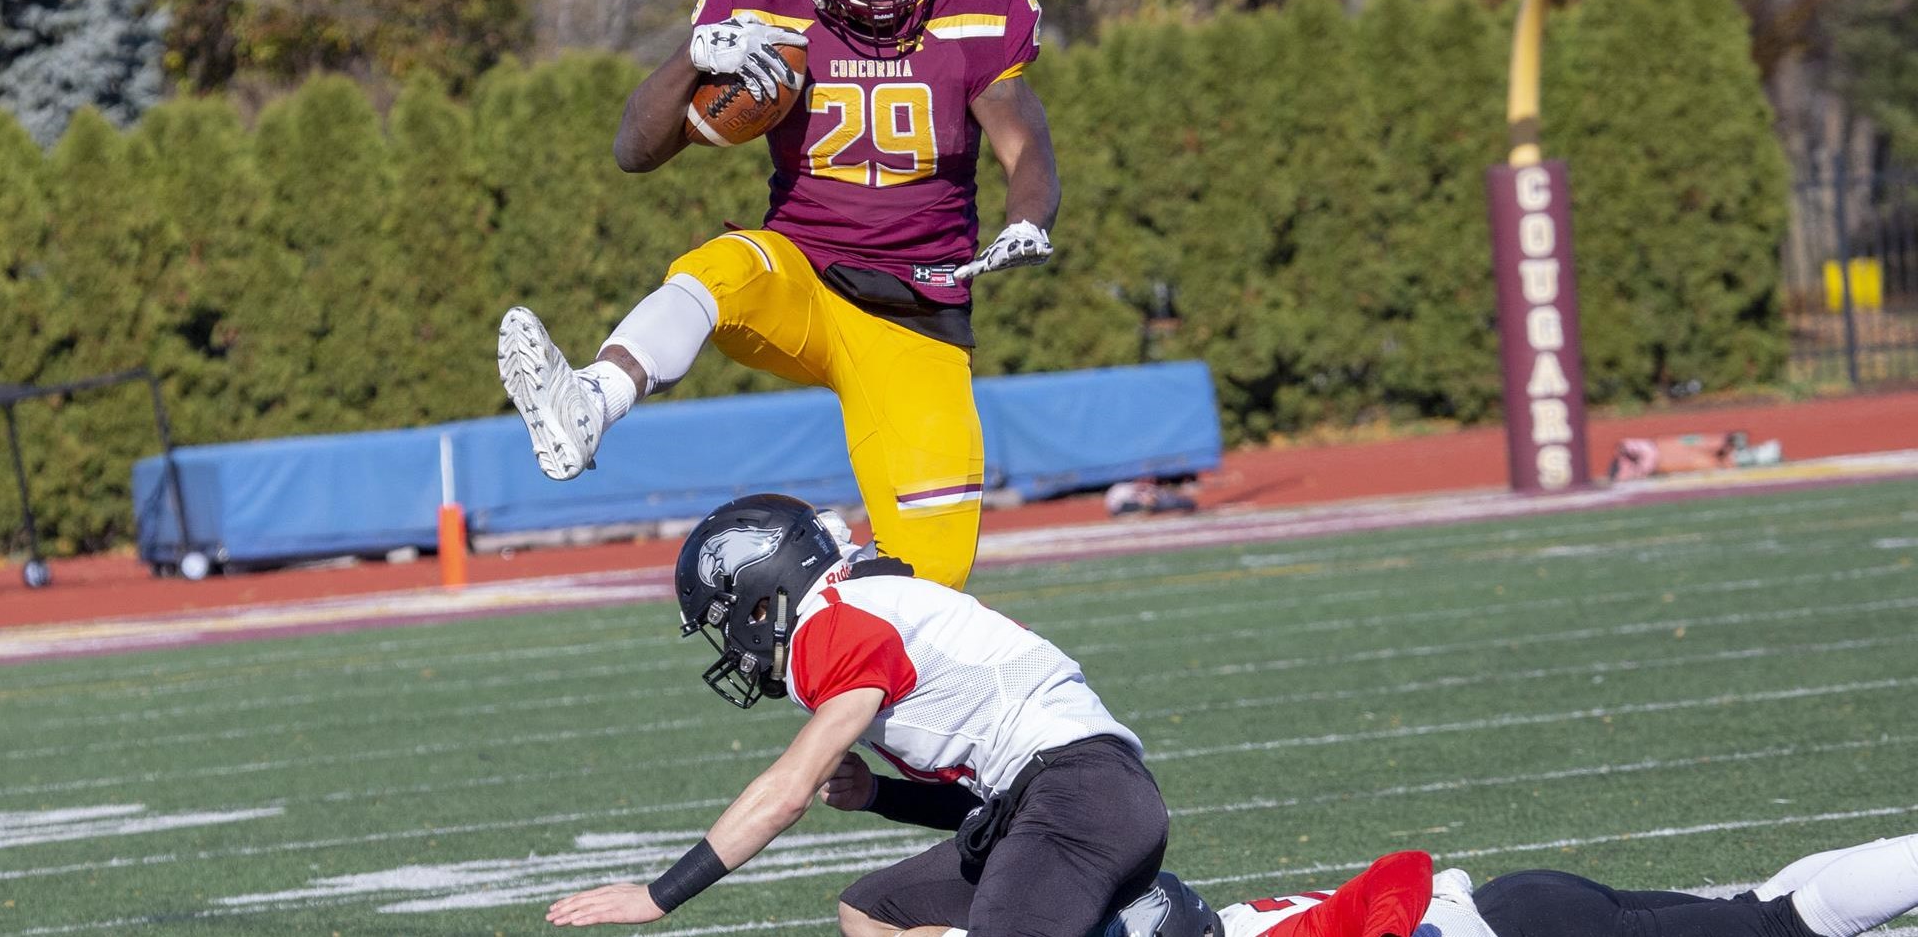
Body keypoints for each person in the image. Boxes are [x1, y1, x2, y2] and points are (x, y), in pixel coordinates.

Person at [498, 0, 1061, 590]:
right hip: (805, 278)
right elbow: (634, 149)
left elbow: (1025, 142)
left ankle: (832, 597)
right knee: (722, 269)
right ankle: (594, 398)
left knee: (934, 577)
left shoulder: (978, 3)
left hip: (918, 314)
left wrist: (1029, 218)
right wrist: (692, 58)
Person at [543, 493, 1168, 935]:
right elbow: (992, 798)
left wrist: (659, 895)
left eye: (730, 618)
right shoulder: (857, 599)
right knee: (871, 913)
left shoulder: (832, 625)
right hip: (1065, 801)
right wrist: (877, 795)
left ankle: (1147, 926)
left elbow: (788, 792)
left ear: (764, 596)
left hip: (1082, 800)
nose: (734, 644)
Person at [1205, 832, 1918, 937]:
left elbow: (1403, 869)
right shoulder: (1233, 918)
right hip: (1519, 900)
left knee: (1783, 926)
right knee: (1756, 910)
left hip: (1536, 927)